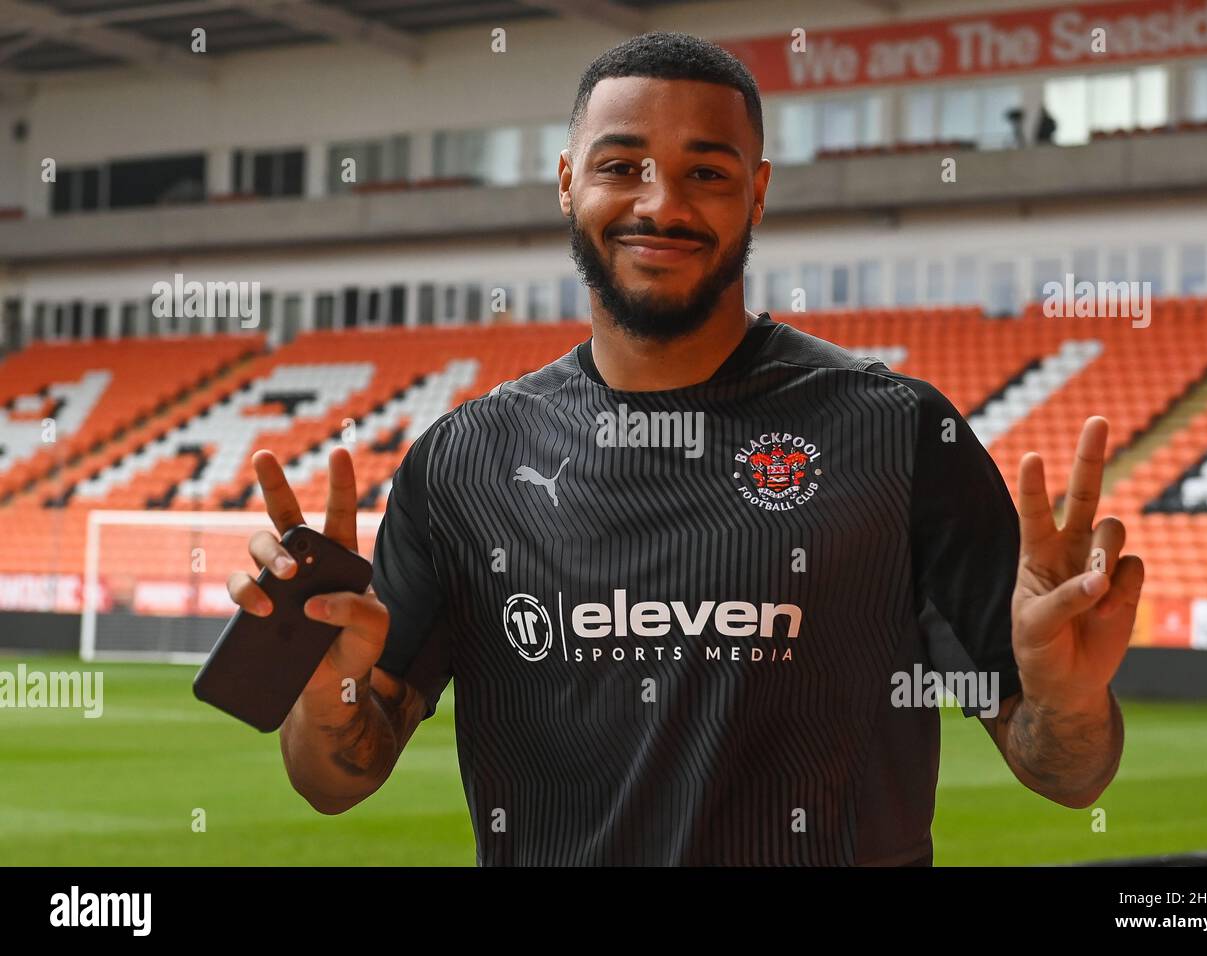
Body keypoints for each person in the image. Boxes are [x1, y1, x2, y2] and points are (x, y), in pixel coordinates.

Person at [227, 32, 1143, 866]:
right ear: (565, 181)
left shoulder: (901, 434)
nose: (660, 205)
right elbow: (336, 778)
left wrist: (1066, 701)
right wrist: (325, 699)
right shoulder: (462, 462)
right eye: (622, 165)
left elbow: (1065, 771)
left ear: (759, 190)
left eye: (706, 172)